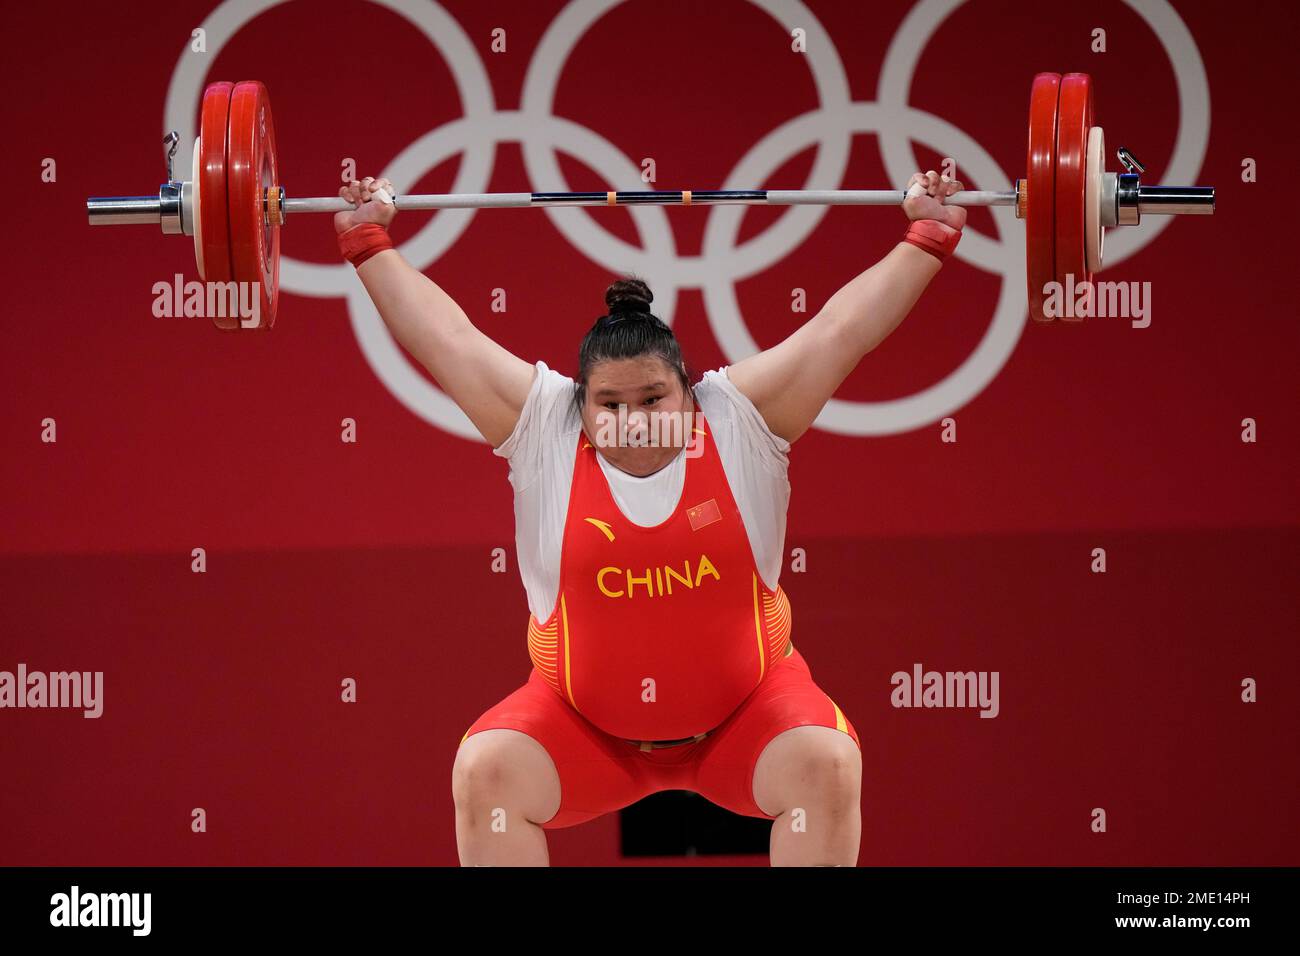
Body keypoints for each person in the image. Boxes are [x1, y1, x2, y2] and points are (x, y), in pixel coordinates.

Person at [333, 170, 967, 866]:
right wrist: (368, 241)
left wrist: (928, 236)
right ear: (580, 404)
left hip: (747, 720)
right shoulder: (543, 424)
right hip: (584, 732)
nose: (631, 420)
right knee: (487, 773)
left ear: (689, 394)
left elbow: (842, 331)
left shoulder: (739, 418)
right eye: (610, 405)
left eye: (652, 399)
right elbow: (446, 339)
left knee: (827, 762)